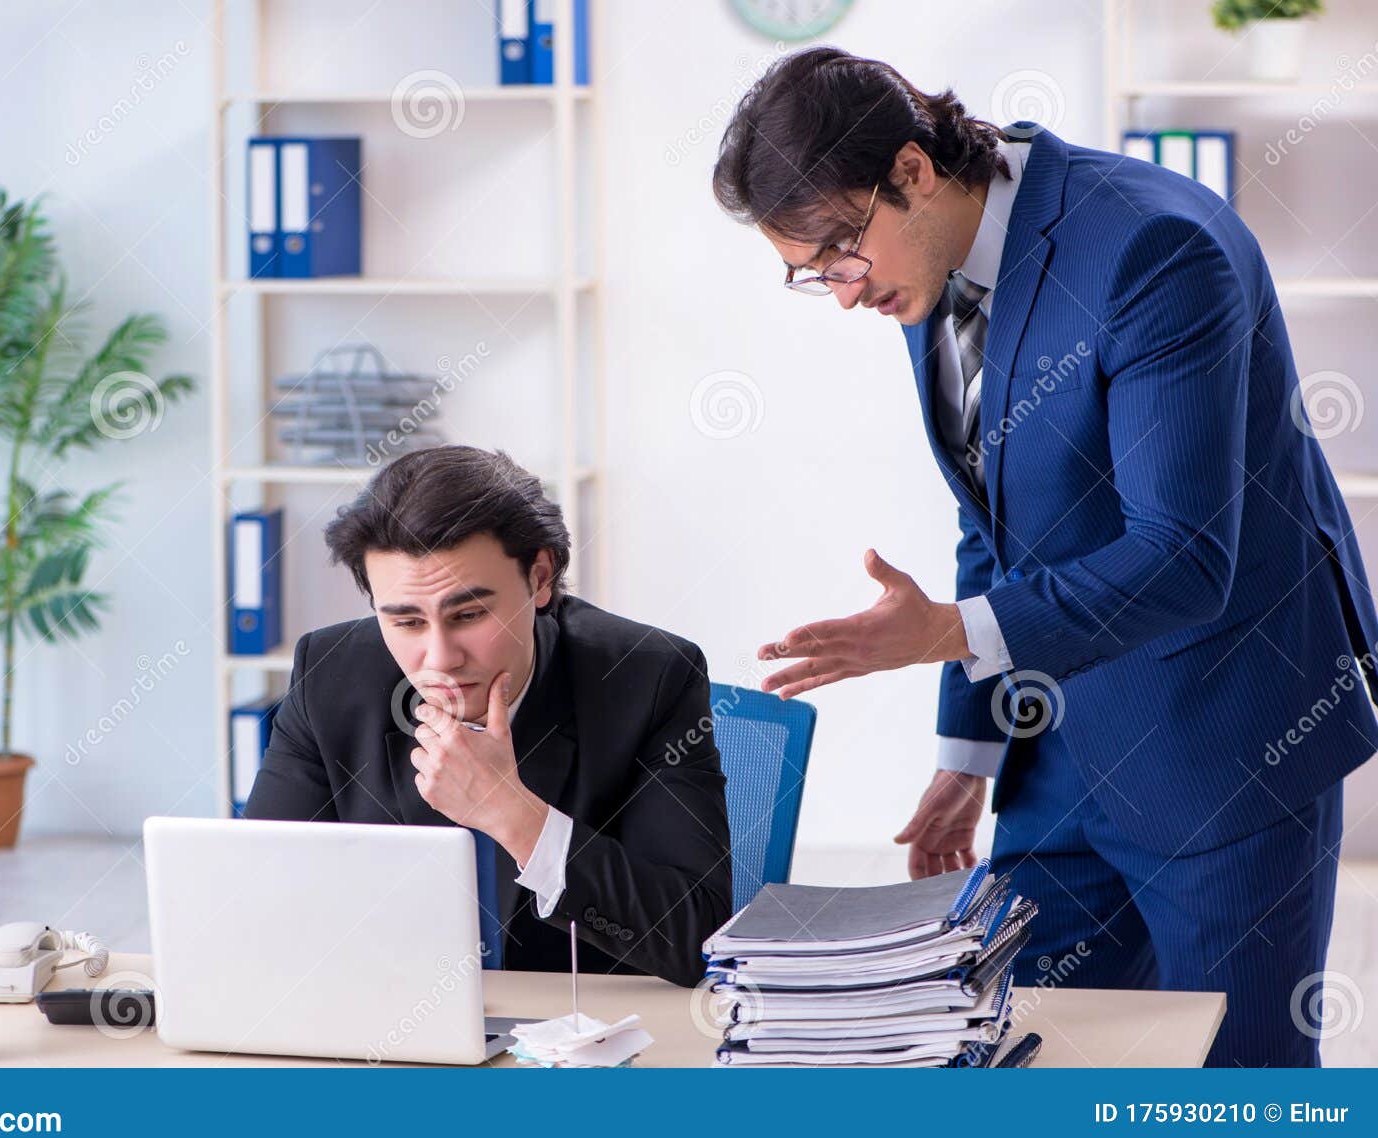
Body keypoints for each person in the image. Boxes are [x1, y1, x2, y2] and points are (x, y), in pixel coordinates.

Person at [711, 47, 1378, 1065]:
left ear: (912, 170)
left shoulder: (1154, 248)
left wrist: (938, 631)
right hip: (1057, 741)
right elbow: (999, 521)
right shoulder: (921, 265)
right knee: (1026, 1053)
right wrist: (966, 755)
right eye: (811, 274)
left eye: (840, 252)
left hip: (1225, 735)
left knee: (1240, 1087)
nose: (842, 293)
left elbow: (1185, 554)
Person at [244, 445, 732, 988]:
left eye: (469, 614)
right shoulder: (330, 675)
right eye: (406, 622)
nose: (440, 658)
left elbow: (698, 940)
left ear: (540, 578)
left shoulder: (651, 677)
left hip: (574, 1036)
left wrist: (511, 812)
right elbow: (258, 899)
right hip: (384, 1023)